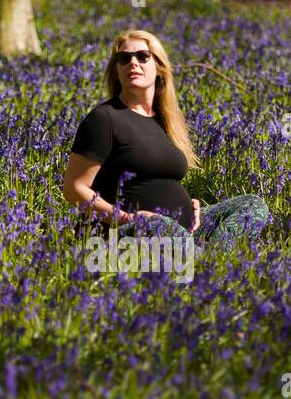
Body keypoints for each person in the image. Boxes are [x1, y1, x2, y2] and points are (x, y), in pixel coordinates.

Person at [61, 29, 270, 248]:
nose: (132, 62)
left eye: (142, 56)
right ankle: (205, 267)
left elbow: (159, 181)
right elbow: (74, 189)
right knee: (158, 225)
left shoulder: (167, 121)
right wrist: (126, 218)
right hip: (124, 232)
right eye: (123, 58)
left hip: (181, 230)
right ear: (116, 70)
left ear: (159, 67)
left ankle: (210, 261)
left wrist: (187, 206)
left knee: (253, 205)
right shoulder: (104, 119)